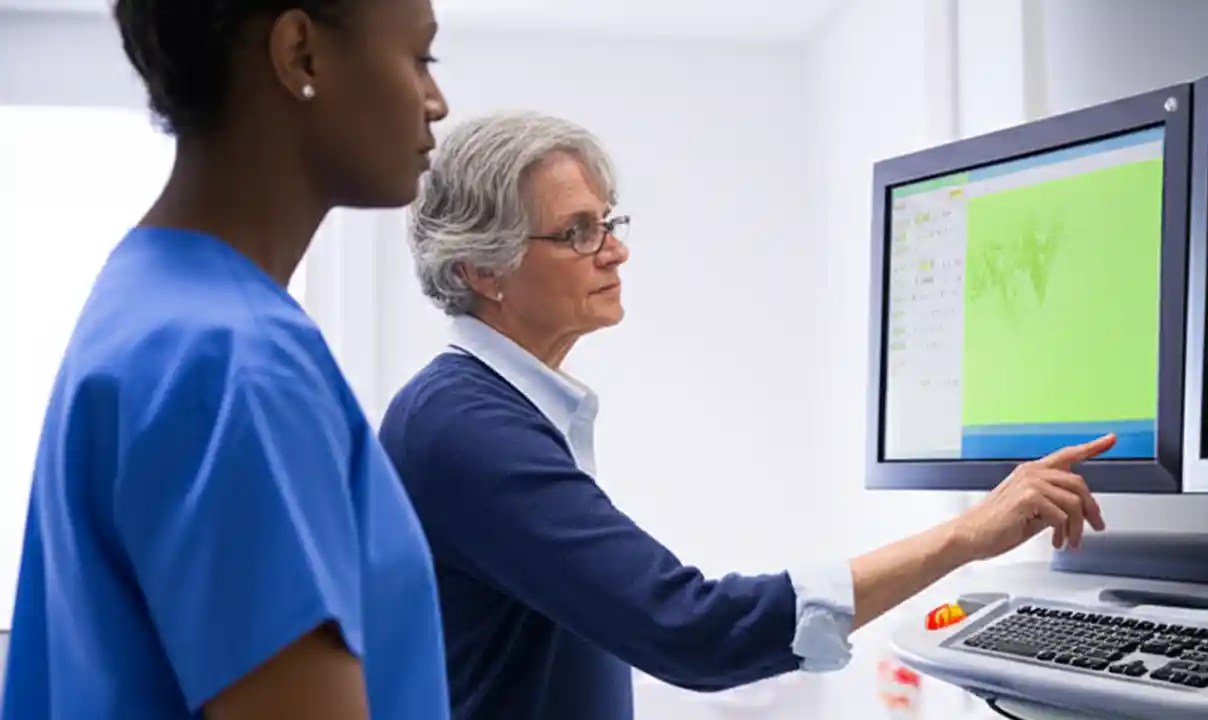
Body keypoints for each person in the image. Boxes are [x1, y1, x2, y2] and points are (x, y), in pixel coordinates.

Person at [379, 111, 1117, 720]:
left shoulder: (484, 410)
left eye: (609, 221)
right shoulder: (464, 428)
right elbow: (691, 630)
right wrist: (966, 534)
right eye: (578, 232)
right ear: (481, 269)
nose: (616, 250)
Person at [2, 1, 451, 718]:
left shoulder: (147, 301)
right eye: (421, 58)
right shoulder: (236, 365)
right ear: (301, 54)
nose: (437, 101)